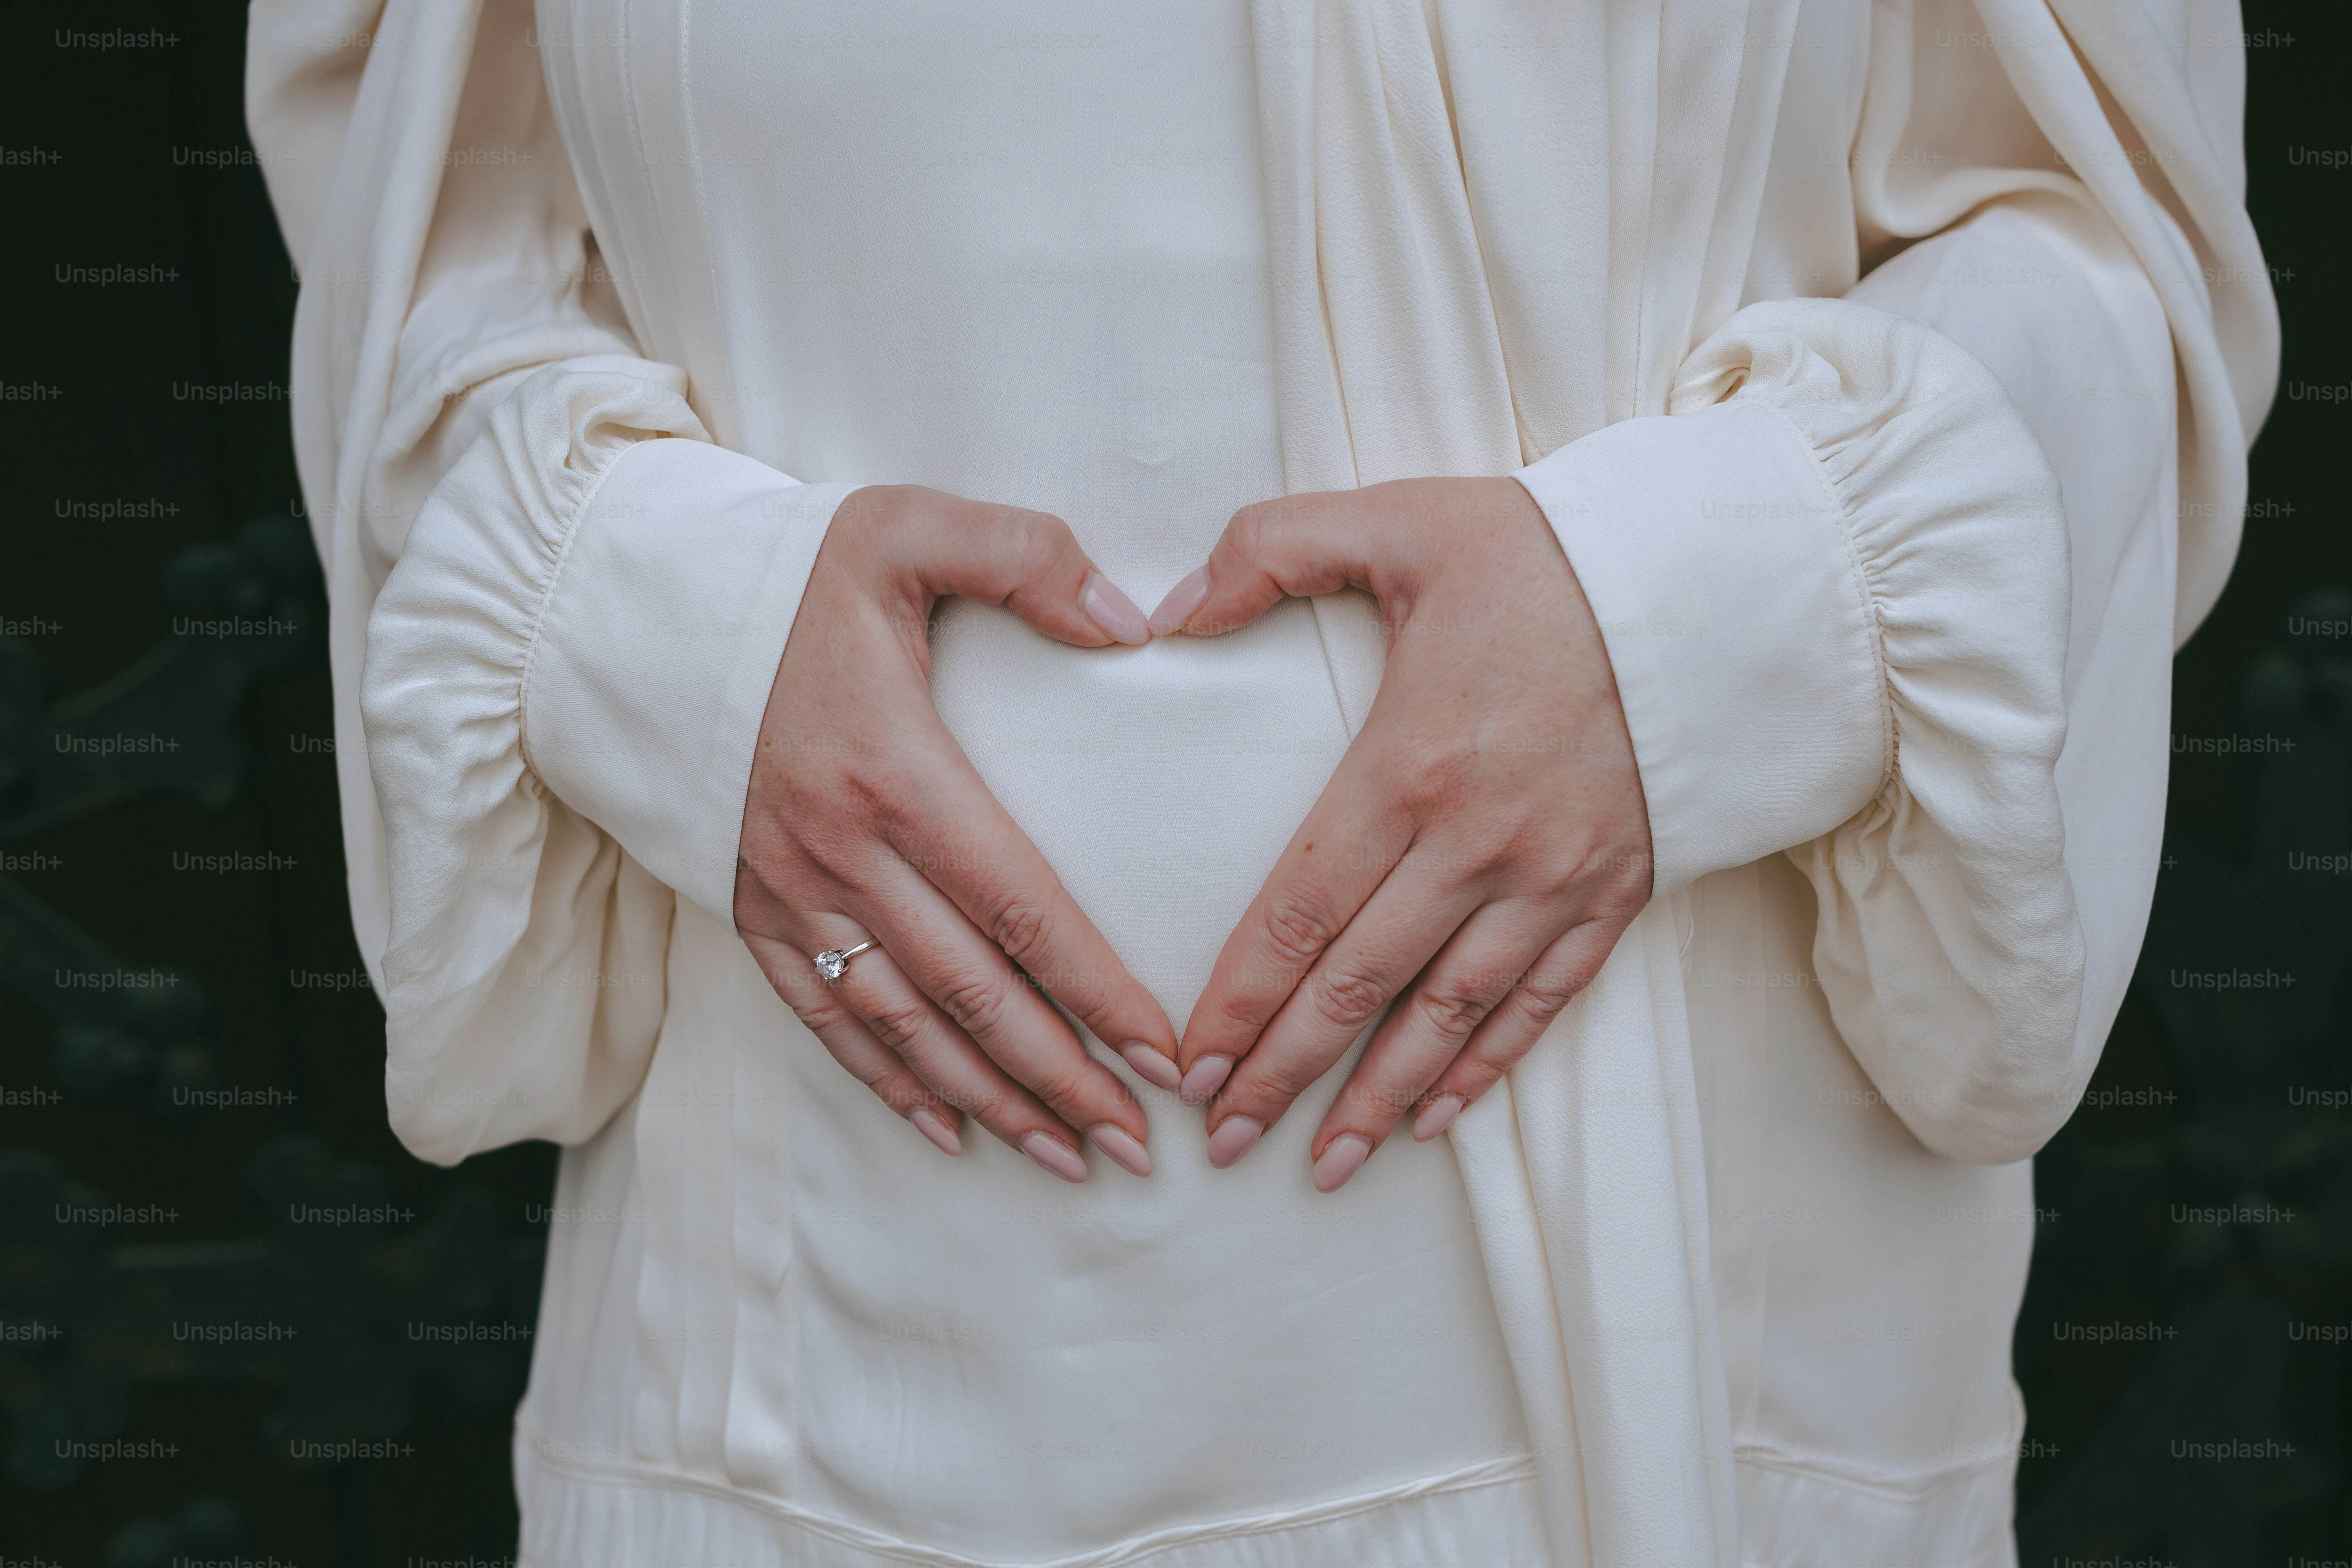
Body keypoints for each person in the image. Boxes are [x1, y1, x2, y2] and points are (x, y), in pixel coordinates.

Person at [247, 0, 2275, 1563]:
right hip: (798, 1365)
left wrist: (1724, 597)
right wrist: (648, 618)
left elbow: (2111, 245)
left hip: (1688, 1386)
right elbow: (424, 283)